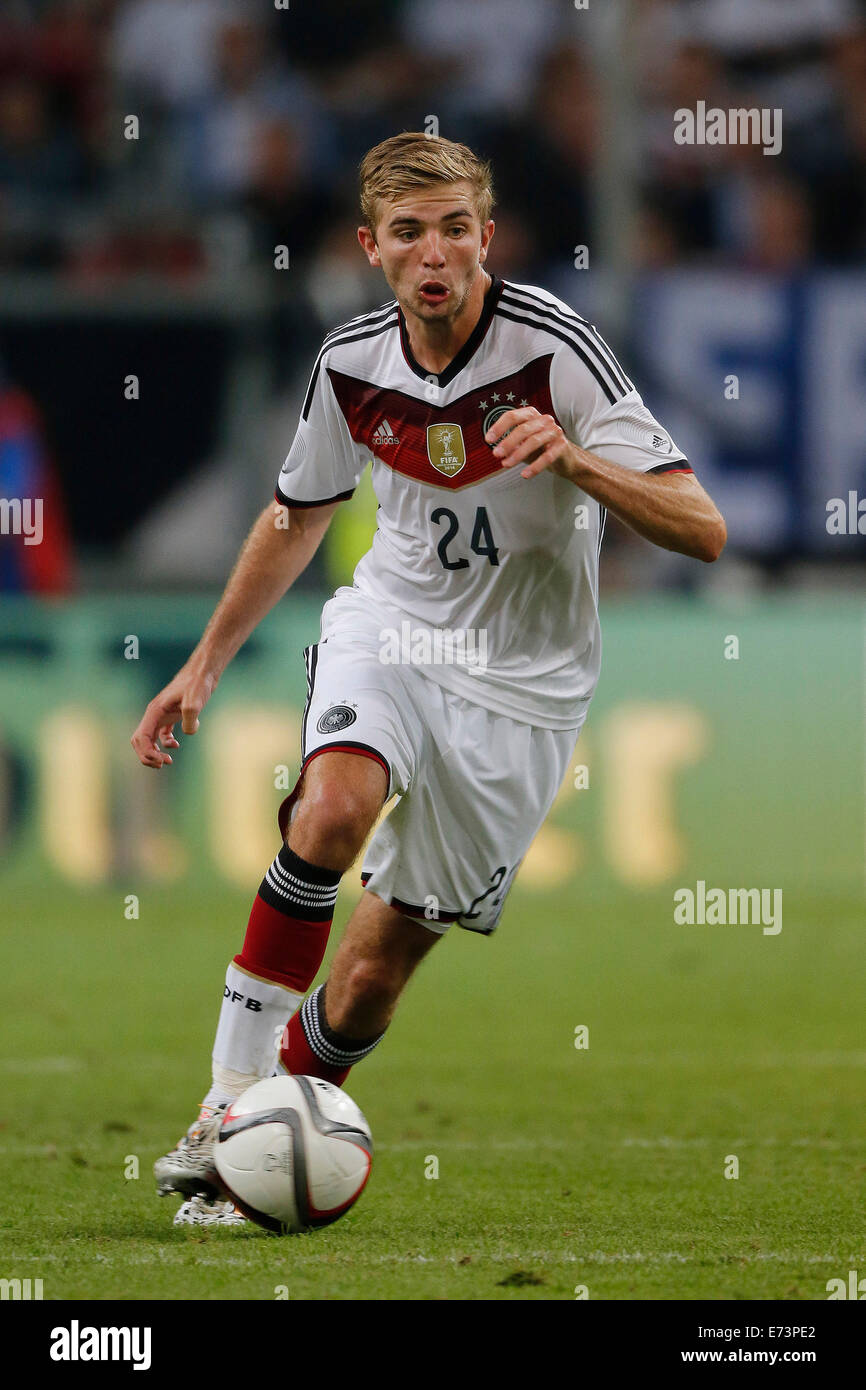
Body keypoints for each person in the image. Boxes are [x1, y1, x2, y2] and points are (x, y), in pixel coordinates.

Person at [131, 132, 726, 1226]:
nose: (433, 251)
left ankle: (271, 1135)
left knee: (367, 981)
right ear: (372, 248)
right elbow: (296, 513)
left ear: (485, 237)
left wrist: (579, 459)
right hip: (393, 631)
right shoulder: (349, 364)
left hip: (525, 689)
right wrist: (202, 663)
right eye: (408, 232)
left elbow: (703, 527)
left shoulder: (556, 350)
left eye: (455, 227)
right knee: (333, 806)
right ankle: (224, 1112)